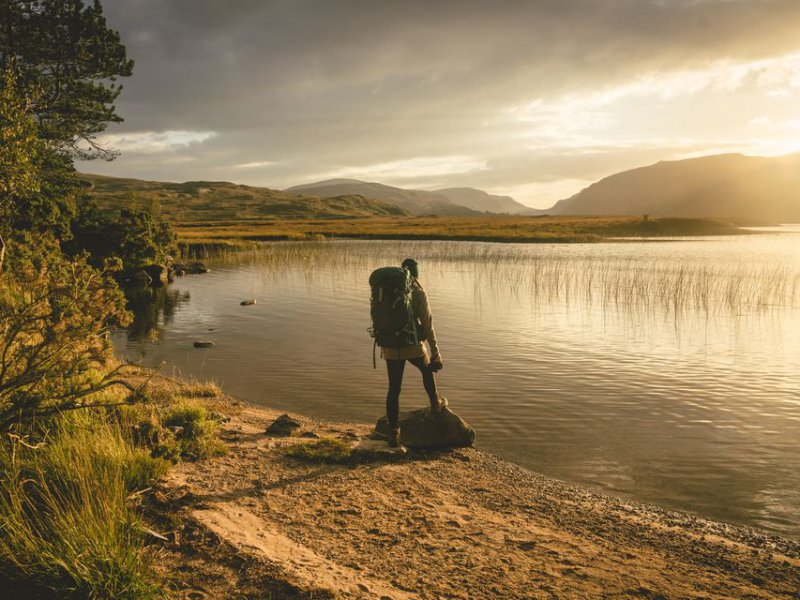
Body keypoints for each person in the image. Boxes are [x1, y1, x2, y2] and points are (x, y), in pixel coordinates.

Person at [382, 258, 447, 447]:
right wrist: (436, 351)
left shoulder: (386, 291)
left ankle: (394, 432)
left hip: (390, 347)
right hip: (412, 346)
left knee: (394, 388)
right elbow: (427, 324)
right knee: (427, 370)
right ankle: (435, 405)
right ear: (416, 274)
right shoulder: (418, 292)